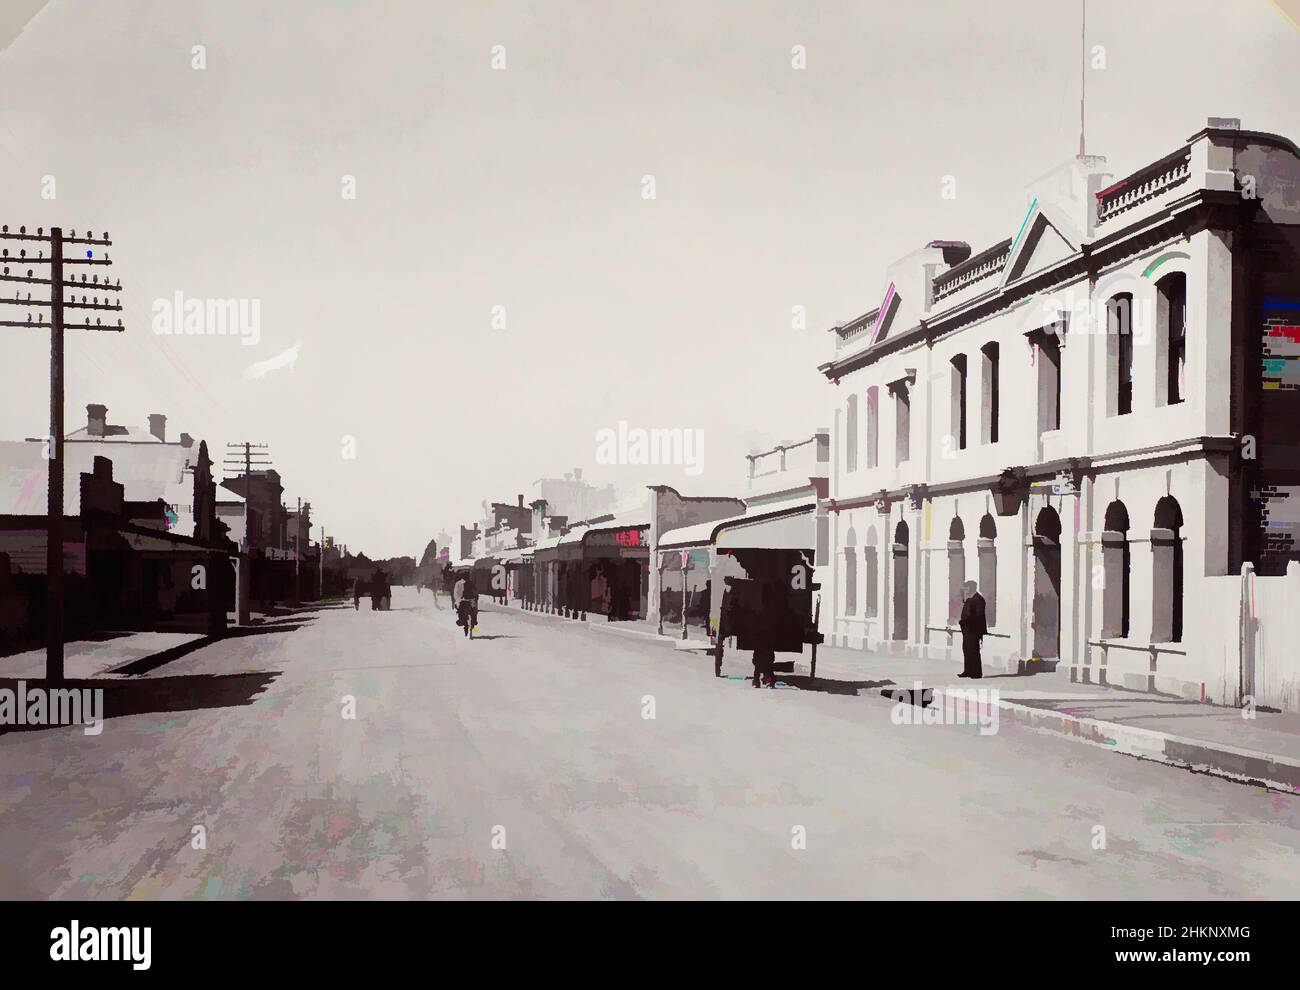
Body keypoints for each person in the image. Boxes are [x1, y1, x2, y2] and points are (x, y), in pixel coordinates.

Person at [958, 580, 988, 678]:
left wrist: (966, 621)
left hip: (974, 630)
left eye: (967, 588)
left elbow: (978, 616)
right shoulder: (969, 599)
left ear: (972, 588)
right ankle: (968, 671)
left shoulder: (979, 599)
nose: (966, 590)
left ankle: (976, 673)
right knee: (966, 650)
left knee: (973, 650)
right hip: (967, 630)